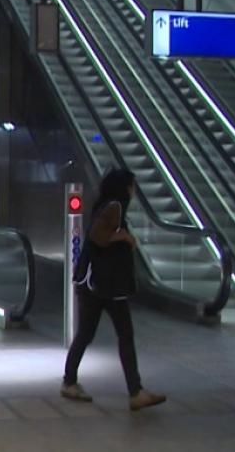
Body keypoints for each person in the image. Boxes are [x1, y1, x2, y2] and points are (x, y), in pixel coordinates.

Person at [61, 168, 166, 411]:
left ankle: (70, 382)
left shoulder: (107, 205)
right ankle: (135, 391)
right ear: (125, 187)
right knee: (123, 336)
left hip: (98, 285)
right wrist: (125, 238)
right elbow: (98, 235)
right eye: (132, 185)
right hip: (105, 285)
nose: (134, 190)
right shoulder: (115, 206)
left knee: (88, 334)